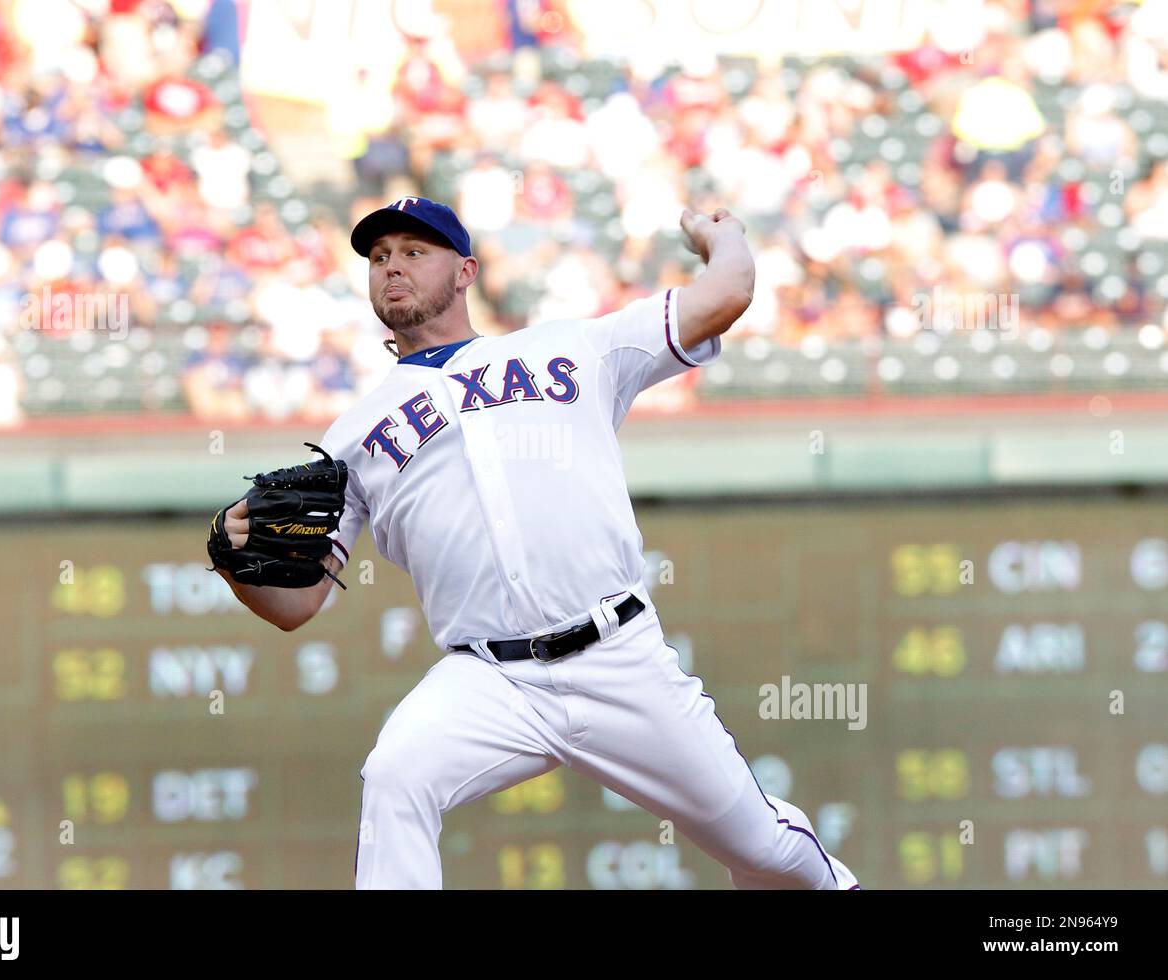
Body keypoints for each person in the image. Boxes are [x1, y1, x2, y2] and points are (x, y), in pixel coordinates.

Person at [215, 196, 860, 890]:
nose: (391, 266)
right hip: (491, 680)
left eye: (413, 251)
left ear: (465, 272)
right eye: (378, 257)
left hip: (617, 657)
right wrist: (232, 561)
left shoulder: (570, 347)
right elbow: (296, 605)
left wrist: (725, 235)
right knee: (396, 776)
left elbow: (726, 293)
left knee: (759, 847)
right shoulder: (351, 435)